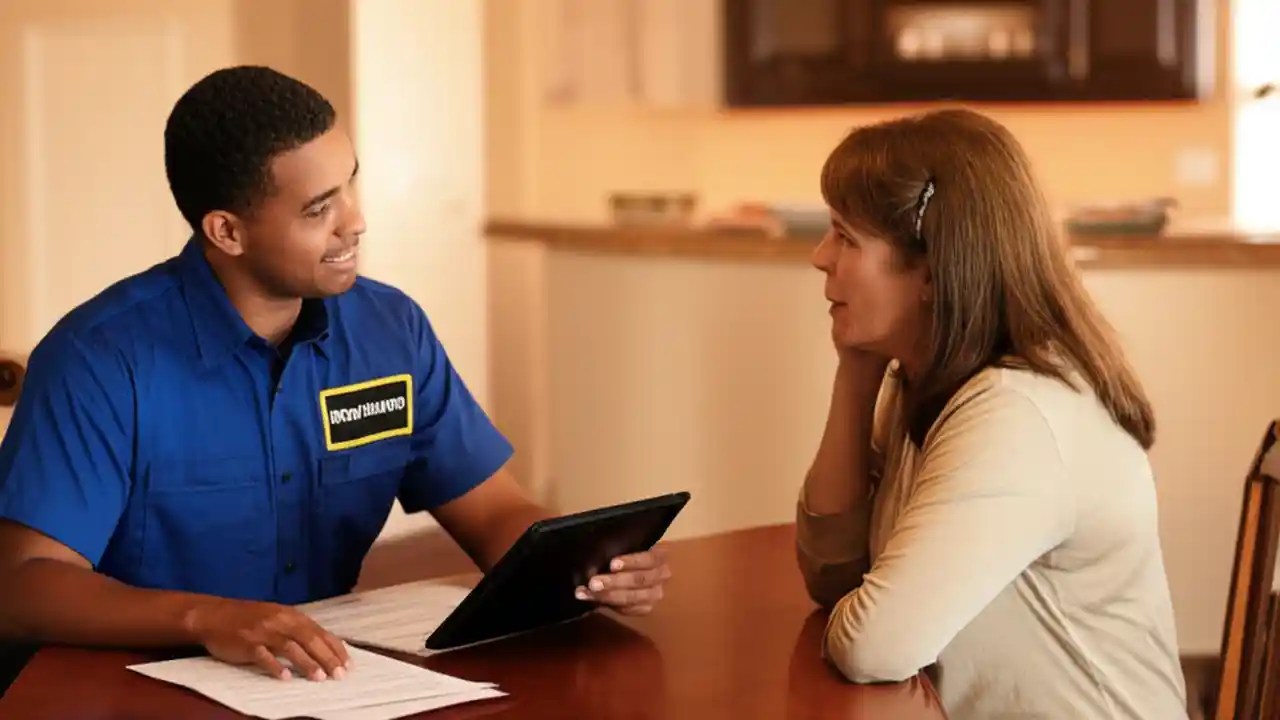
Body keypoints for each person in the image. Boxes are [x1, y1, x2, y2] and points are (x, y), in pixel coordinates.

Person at [0, 66, 670, 686]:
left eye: (350, 183)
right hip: (127, 687)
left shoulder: (390, 331)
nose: (356, 221)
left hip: (323, 683)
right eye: (318, 209)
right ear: (227, 231)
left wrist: (585, 569)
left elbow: (494, 509)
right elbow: (25, 585)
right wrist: (209, 618)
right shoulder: (99, 360)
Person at [796, 108, 1188, 719]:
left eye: (846, 236)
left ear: (929, 268)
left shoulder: (1017, 414)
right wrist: (856, 375)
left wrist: (879, 601)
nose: (821, 256)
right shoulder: (921, 381)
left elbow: (873, 647)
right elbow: (831, 572)